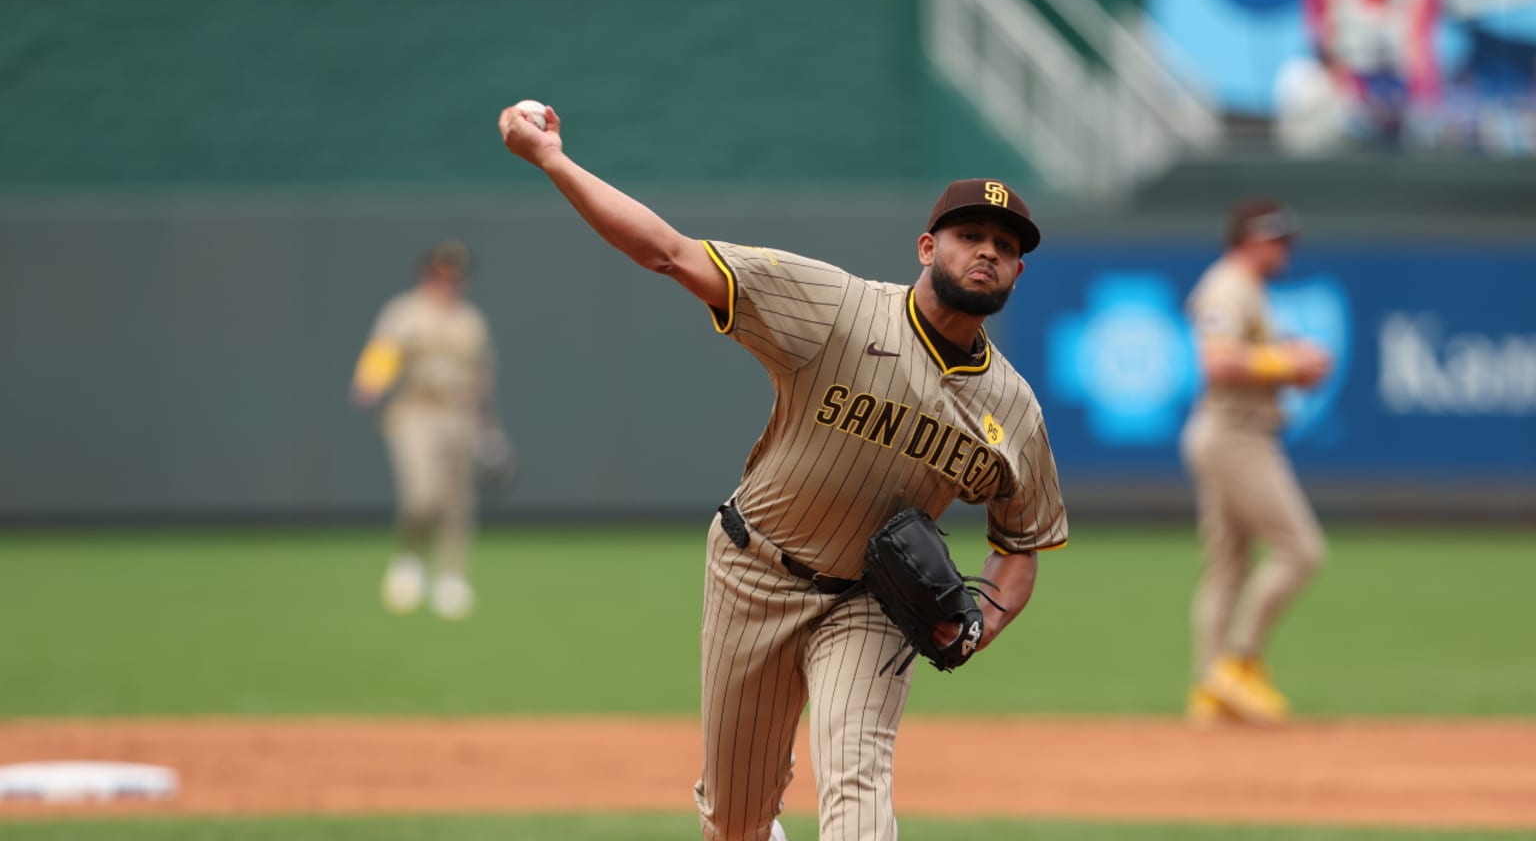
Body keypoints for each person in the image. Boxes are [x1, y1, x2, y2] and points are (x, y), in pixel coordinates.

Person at [498, 101, 1068, 841]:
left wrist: (980, 625)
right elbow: (668, 253)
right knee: (735, 820)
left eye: (1005, 245)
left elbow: (1021, 542)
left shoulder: (1013, 409)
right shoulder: (836, 309)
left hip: (873, 600)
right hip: (753, 573)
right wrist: (551, 160)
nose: (986, 252)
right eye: (970, 236)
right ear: (928, 247)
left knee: (858, 786)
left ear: (1019, 270)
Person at [1181, 199, 1332, 726]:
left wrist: (1288, 364)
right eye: (1279, 240)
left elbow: (1243, 359)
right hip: (1234, 436)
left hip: (1232, 432)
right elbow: (1218, 362)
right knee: (1300, 549)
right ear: (1253, 239)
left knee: (1228, 568)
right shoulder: (1228, 285)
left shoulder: (1246, 288)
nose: (1286, 250)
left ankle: (1210, 691)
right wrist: (1289, 361)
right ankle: (1237, 663)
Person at [351, 239, 500, 620]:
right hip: (417, 412)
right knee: (422, 496)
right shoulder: (405, 311)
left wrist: (490, 430)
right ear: (426, 274)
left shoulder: (470, 320)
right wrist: (371, 379)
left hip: (460, 415)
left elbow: (481, 378)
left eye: (455, 275)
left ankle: (451, 576)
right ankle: (410, 558)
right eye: (440, 274)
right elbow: (384, 350)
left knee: (458, 503)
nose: (447, 282)